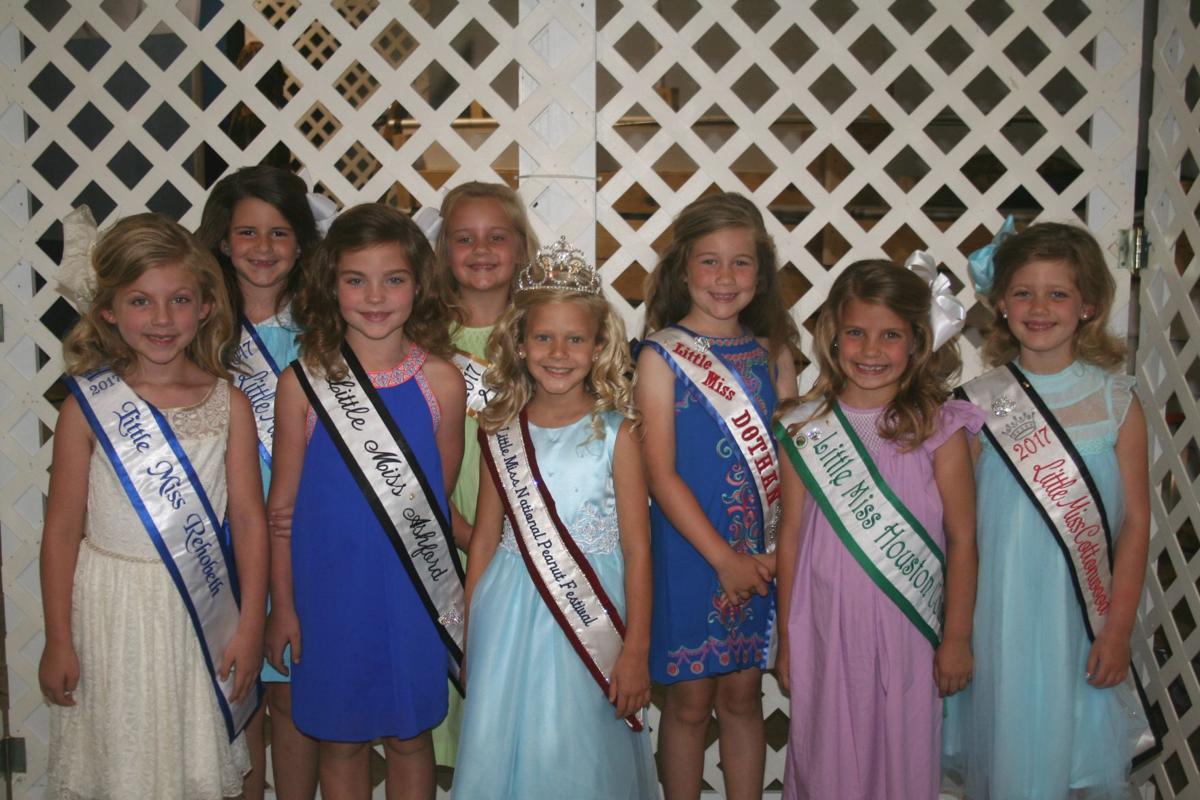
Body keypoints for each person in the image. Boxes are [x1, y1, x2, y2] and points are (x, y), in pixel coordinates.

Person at [40, 209, 267, 799]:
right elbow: (62, 530)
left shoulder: (229, 403)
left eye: (178, 300)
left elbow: (248, 518)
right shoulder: (85, 407)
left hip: (199, 610)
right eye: (141, 302)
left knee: (189, 763)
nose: (162, 319)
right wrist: (58, 637)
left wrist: (249, 624)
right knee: (119, 761)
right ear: (109, 310)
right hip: (109, 607)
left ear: (205, 307)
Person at [942, 221, 1153, 799]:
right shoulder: (976, 407)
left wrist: (1117, 630)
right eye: (1023, 293)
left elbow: (1136, 524)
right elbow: (957, 528)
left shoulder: (1118, 400)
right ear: (1001, 303)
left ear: (1088, 306)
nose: (1040, 308)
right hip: (998, 619)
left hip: (1080, 624)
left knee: (1071, 760)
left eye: (1058, 293)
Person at [265, 204, 466, 799]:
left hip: (412, 595)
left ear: (419, 285)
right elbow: (281, 513)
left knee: (411, 738)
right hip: (327, 599)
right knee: (341, 741)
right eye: (355, 279)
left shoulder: (442, 383)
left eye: (394, 279)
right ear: (329, 285)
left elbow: (435, 502)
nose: (374, 296)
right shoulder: (301, 383)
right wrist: (284, 606)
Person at [453, 237, 657, 799]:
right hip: (508, 611)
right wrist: (472, 637)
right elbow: (486, 540)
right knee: (508, 743)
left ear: (598, 348)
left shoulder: (618, 431)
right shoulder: (499, 429)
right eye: (543, 337)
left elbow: (640, 549)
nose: (558, 353)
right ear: (519, 344)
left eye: (574, 339)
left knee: (580, 750)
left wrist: (635, 650)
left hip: (593, 606)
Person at [773, 258, 981, 799]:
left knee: (903, 754)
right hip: (824, 624)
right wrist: (789, 638)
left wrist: (956, 637)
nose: (870, 350)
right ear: (832, 338)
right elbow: (791, 534)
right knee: (825, 756)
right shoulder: (805, 425)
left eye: (890, 335)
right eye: (856, 334)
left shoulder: (939, 427)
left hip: (907, 628)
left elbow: (962, 538)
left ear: (916, 342)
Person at [635, 192, 799, 799]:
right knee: (687, 703)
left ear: (762, 271)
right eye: (709, 262)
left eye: (741, 262)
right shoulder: (659, 356)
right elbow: (660, 475)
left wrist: (777, 551)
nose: (724, 278)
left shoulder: (772, 355)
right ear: (683, 270)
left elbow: (789, 464)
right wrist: (722, 559)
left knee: (743, 696)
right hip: (689, 553)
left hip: (759, 556)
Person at [197, 164, 322, 800]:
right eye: (247, 232)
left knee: (291, 689)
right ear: (222, 240)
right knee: (236, 689)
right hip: (222, 527)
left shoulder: (328, 329)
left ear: (302, 243)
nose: (263, 248)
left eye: (279, 232)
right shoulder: (196, 332)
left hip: (304, 528)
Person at [427, 181, 538, 767]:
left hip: (529, 535)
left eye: (497, 237)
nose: (481, 250)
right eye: (465, 239)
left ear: (521, 248)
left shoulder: (543, 335)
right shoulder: (422, 339)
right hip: (448, 524)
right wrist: (464, 530)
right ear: (444, 251)